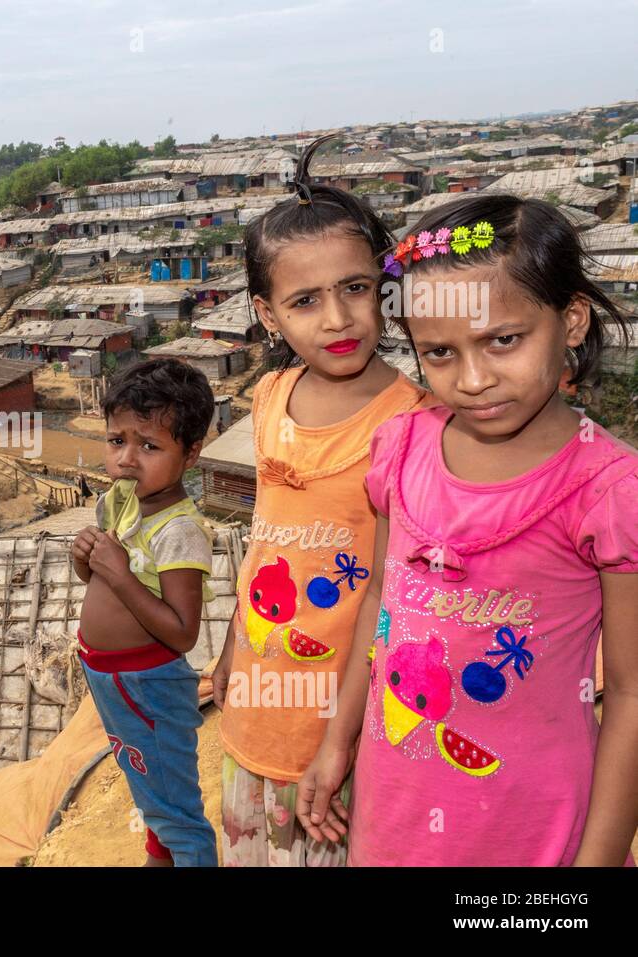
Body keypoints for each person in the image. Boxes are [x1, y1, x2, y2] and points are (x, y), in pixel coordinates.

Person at [298, 194, 638, 865]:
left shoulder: (609, 492)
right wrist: (337, 742)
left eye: (503, 340)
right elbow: (378, 602)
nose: (475, 379)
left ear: (570, 320)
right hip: (391, 821)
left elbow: (630, 692)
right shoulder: (400, 450)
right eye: (441, 353)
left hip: (533, 838)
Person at [212, 133, 432, 866]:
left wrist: (340, 743)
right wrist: (226, 656)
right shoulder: (271, 394)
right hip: (251, 713)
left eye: (356, 289)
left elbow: (387, 600)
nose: (337, 319)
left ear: (383, 288)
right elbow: (263, 547)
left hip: (336, 739)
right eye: (305, 300)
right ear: (267, 315)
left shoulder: (412, 424)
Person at [71, 358, 218, 866]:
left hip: (146, 686)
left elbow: (181, 633)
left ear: (192, 453)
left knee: (177, 812)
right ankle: (159, 854)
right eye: (118, 441)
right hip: (109, 679)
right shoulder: (117, 503)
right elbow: (98, 581)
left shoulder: (180, 529)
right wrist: (84, 562)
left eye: (150, 446)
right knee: (148, 783)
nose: (128, 460)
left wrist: (118, 574)